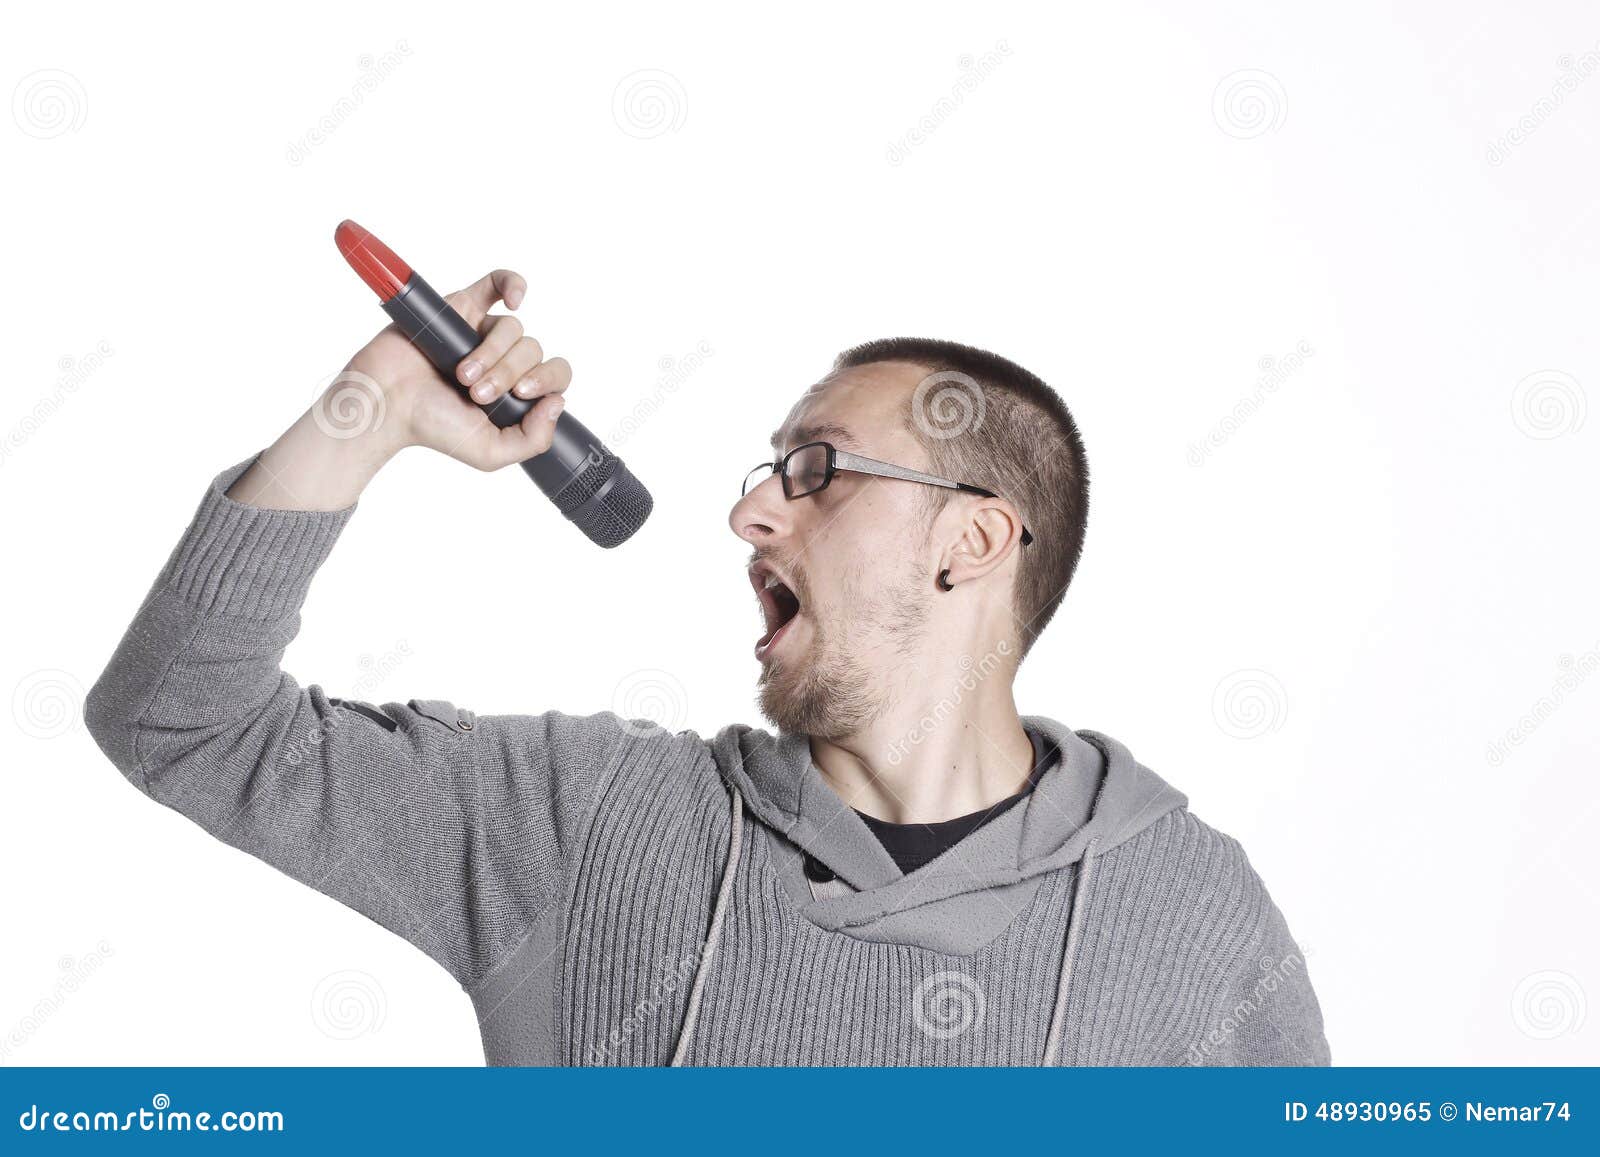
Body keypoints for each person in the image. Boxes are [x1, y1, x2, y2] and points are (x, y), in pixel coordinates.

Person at [85, 265, 1330, 1066]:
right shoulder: (576, 819)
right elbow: (181, 722)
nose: (752, 517)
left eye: (820, 471)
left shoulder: (1193, 920)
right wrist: (378, 402)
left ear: (973, 540)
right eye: (766, 473)